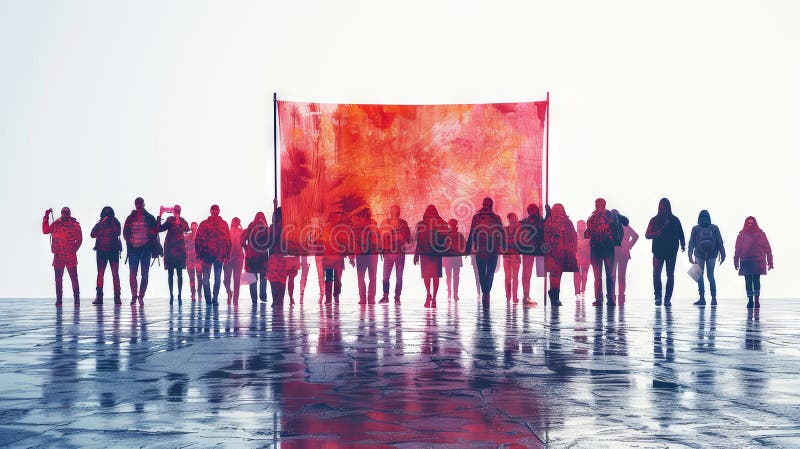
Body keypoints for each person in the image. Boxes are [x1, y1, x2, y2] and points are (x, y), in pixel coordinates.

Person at [645, 198, 685, 307]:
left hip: (669, 251)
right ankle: (660, 297)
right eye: (661, 207)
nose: (662, 209)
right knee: (660, 274)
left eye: (663, 207)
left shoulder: (673, 220)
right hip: (661, 251)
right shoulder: (657, 220)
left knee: (666, 274)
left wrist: (683, 243)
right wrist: (682, 244)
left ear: (667, 207)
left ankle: (665, 298)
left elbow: (680, 233)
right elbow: (647, 235)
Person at [466, 197, 506, 306]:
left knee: (489, 273)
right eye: (485, 204)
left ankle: (486, 292)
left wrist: (503, 246)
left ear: (491, 205)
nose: (486, 206)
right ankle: (485, 292)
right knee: (482, 273)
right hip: (481, 249)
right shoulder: (477, 218)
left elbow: (501, 233)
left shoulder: (495, 218)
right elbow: (472, 232)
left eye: (488, 204)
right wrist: (468, 247)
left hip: (491, 249)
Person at [42, 207, 82, 306]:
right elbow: (45, 230)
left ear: (69, 213)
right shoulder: (56, 223)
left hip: (70, 256)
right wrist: (46, 216)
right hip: (58, 256)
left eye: (66, 213)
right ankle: (59, 300)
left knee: (74, 278)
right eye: (63, 213)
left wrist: (73, 250)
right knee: (58, 279)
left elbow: (80, 239)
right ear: (61, 213)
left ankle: (77, 299)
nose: (64, 214)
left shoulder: (75, 224)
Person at [123, 197, 159, 307]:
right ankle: (134, 296)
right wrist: (131, 242)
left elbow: (155, 232)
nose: (138, 205)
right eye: (137, 203)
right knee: (133, 275)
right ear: (135, 204)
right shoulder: (130, 218)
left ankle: (140, 296)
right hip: (134, 250)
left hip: (145, 250)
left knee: (144, 275)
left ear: (143, 204)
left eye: (140, 203)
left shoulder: (149, 218)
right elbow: (125, 233)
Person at [585, 198, 618, 307]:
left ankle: (608, 299)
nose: (598, 206)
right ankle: (602, 299)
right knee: (599, 276)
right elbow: (587, 233)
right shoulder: (592, 217)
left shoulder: (608, 215)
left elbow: (613, 227)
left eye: (600, 204)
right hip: (598, 248)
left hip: (606, 248)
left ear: (604, 205)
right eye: (597, 204)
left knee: (607, 275)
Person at [543, 203, 578, 307]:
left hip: (563, 253)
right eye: (556, 210)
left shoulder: (567, 223)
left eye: (559, 210)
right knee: (554, 275)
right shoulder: (549, 221)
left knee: (556, 275)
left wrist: (572, 251)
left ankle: (555, 296)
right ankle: (554, 297)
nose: (558, 212)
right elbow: (544, 236)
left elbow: (573, 237)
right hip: (552, 253)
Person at [688, 210, 726, 307]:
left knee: (699, 276)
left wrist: (690, 254)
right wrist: (723, 254)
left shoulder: (695, 228)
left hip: (699, 254)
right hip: (712, 254)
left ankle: (702, 298)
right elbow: (720, 242)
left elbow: (691, 242)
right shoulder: (714, 228)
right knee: (710, 275)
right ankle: (713, 298)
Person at [734, 216, 773, 309]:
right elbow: (737, 249)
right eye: (749, 223)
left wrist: (770, 262)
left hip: (755, 260)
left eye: (751, 223)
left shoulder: (744, 235)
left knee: (755, 280)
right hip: (750, 260)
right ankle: (751, 300)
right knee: (750, 281)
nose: (750, 224)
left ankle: (756, 300)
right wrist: (735, 261)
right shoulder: (758, 234)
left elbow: (767, 248)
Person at [413, 204, 448, 308]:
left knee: (428, 276)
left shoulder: (422, 224)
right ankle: (433, 298)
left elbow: (418, 240)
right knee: (434, 276)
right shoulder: (439, 223)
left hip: (426, 253)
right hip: (435, 253)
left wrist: (416, 254)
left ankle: (430, 295)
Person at [195, 204, 231, 305]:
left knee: (217, 279)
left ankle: (214, 298)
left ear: (219, 211)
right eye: (213, 210)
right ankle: (208, 299)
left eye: (217, 210)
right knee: (205, 280)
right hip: (206, 256)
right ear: (210, 211)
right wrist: (198, 254)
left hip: (219, 256)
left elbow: (228, 240)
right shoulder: (204, 224)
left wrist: (227, 255)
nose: (215, 212)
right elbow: (198, 239)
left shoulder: (224, 224)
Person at [379, 205, 411, 304]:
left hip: (399, 252)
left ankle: (396, 297)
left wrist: (398, 237)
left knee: (398, 276)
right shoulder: (385, 222)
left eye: (395, 210)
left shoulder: (403, 223)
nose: (393, 211)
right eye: (392, 210)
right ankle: (386, 296)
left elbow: (408, 238)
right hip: (389, 252)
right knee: (386, 276)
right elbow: (380, 237)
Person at [90, 206, 122, 305]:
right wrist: (102, 223)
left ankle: (102, 297)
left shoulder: (109, 223)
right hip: (109, 251)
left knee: (103, 274)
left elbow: (93, 234)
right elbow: (92, 234)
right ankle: (116, 297)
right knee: (111, 274)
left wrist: (102, 223)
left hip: (105, 251)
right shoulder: (115, 222)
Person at [159, 205, 189, 304]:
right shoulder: (169, 220)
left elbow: (186, 229)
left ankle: (179, 294)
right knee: (170, 274)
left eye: (178, 210)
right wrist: (160, 214)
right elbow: (160, 229)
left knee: (179, 274)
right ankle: (171, 295)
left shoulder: (182, 221)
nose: (177, 212)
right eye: (175, 210)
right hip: (170, 250)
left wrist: (178, 220)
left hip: (180, 250)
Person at [517, 204, 545, 306]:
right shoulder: (525, 222)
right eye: (531, 210)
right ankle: (525, 296)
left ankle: (526, 296)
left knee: (533, 273)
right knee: (526, 273)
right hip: (528, 249)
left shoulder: (541, 221)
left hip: (538, 249)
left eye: (534, 210)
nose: (533, 212)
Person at [352, 207, 380, 305]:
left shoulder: (356, 225)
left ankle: (363, 299)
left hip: (361, 254)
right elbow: (378, 238)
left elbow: (354, 241)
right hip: (372, 254)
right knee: (372, 277)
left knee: (361, 277)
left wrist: (352, 256)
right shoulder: (374, 224)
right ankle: (371, 299)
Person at [242, 212, 269, 304]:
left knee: (252, 278)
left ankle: (254, 299)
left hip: (251, 257)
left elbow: (242, 239)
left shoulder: (250, 228)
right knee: (263, 278)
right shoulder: (266, 229)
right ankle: (263, 296)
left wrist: (246, 248)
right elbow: (271, 241)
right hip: (263, 257)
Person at [612, 209, 638, 305]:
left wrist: (629, 246)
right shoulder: (625, 225)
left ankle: (615, 294)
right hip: (622, 252)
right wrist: (628, 246)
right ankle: (620, 294)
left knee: (614, 275)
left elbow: (635, 236)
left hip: (615, 252)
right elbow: (635, 236)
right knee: (621, 275)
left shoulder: (616, 225)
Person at [442, 218, 466, 301]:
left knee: (449, 276)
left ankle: (450, 293)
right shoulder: (459, 235)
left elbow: (442, 246)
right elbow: (464, 245)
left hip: (448, 257)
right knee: (455, 276)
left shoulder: (445, 235)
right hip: (456, 257)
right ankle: (455, 293)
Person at [223, 217, 244, 304]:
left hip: (238, 258)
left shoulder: (242, 232)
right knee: (226, 280)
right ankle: (229, 292)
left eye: (237, 222)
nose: (234, 223)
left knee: (237, 279)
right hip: (228, 258)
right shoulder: (227, 231)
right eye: (233, 222)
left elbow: (245, 242)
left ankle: (235, 299)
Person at [503, 213, 522, 303]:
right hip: (507, 255)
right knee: (508, 277)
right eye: (511, 218)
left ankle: (513, 296)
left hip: (515, 255)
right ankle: (508, 296)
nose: (513, 220)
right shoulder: (505, 229)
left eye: (514, 218)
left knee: (514, 277)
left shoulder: (519, 230)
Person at [184, 222, 203, 301]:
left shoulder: (200, 236)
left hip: (197, 259)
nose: (194, 229)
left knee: (198, 278)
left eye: (195, 227)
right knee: (192, 277)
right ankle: (194, 293)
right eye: (193, 227)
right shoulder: (187, 236)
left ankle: (198, 293)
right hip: (190, 259)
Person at [574, 220, 591, 300]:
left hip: (578, 257)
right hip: (585, 257)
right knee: (584, 275)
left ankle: (578, 292)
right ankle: (582, 291)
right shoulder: (588, 235)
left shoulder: (575, 235)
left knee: (578, 275)